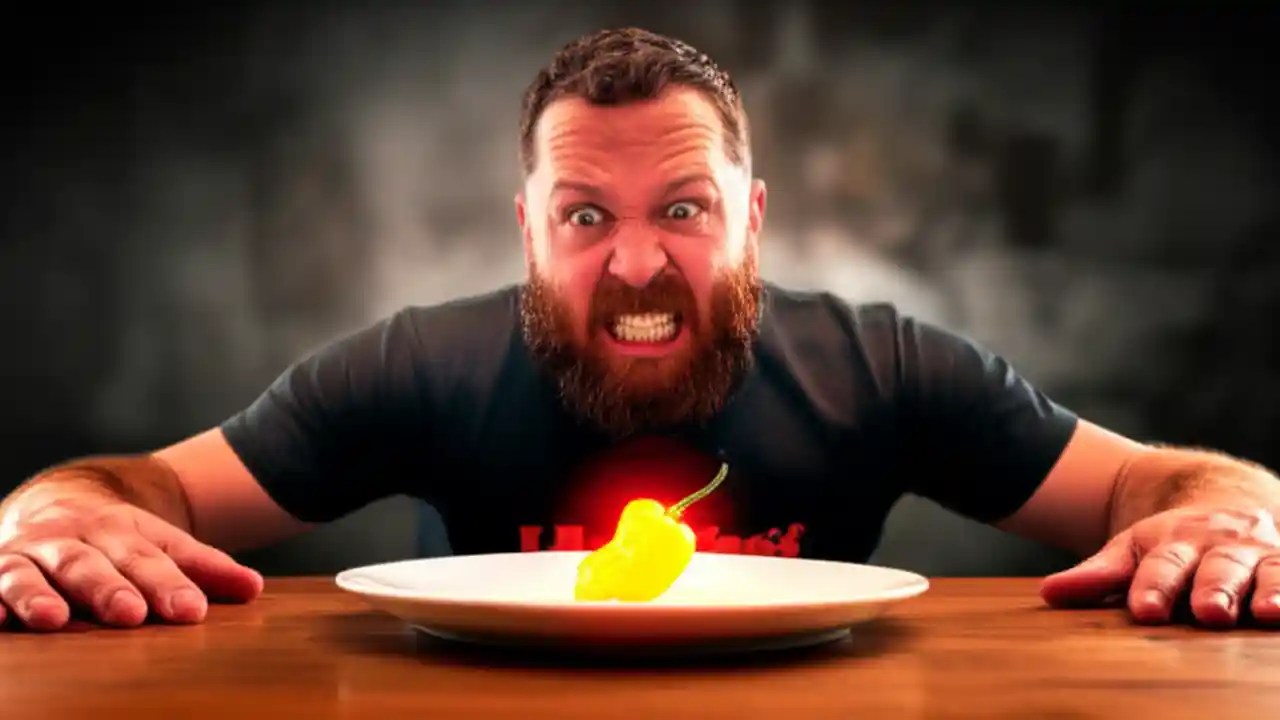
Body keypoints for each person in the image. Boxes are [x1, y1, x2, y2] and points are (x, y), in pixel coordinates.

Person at [2, 27, 1277, 633]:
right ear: (524, 230)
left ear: (754, 218)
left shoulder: (879, 364)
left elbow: (1166, 487)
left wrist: (1226, 517)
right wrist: (50, 515)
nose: (634, 260)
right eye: (581, 216)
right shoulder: (416, 365)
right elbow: (140, 490)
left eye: (682, 208)